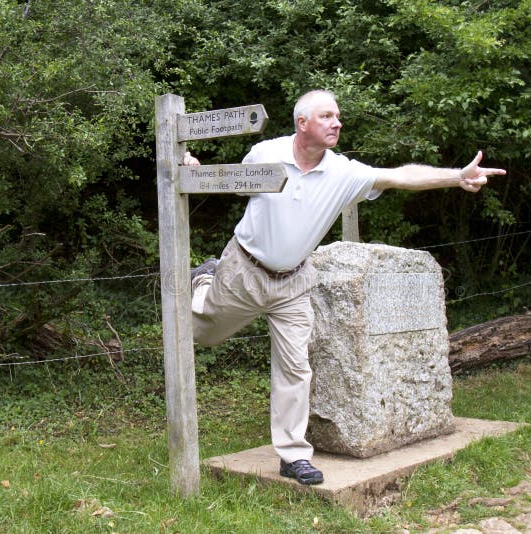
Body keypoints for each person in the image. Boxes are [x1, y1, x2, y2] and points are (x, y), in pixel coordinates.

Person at [184, 89, 505, 485]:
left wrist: (456, 176)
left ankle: (292, 455)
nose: (337, 123)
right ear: (302, 123)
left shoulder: (343, 172)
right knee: (203, 334)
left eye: (337, 116)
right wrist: (192, 167)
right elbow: (230, 181)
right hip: (245, 269)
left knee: (296, 367)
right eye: (326, 117)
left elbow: (400, 176)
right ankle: (204, 279)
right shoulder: (267, 153)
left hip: (294, 282)